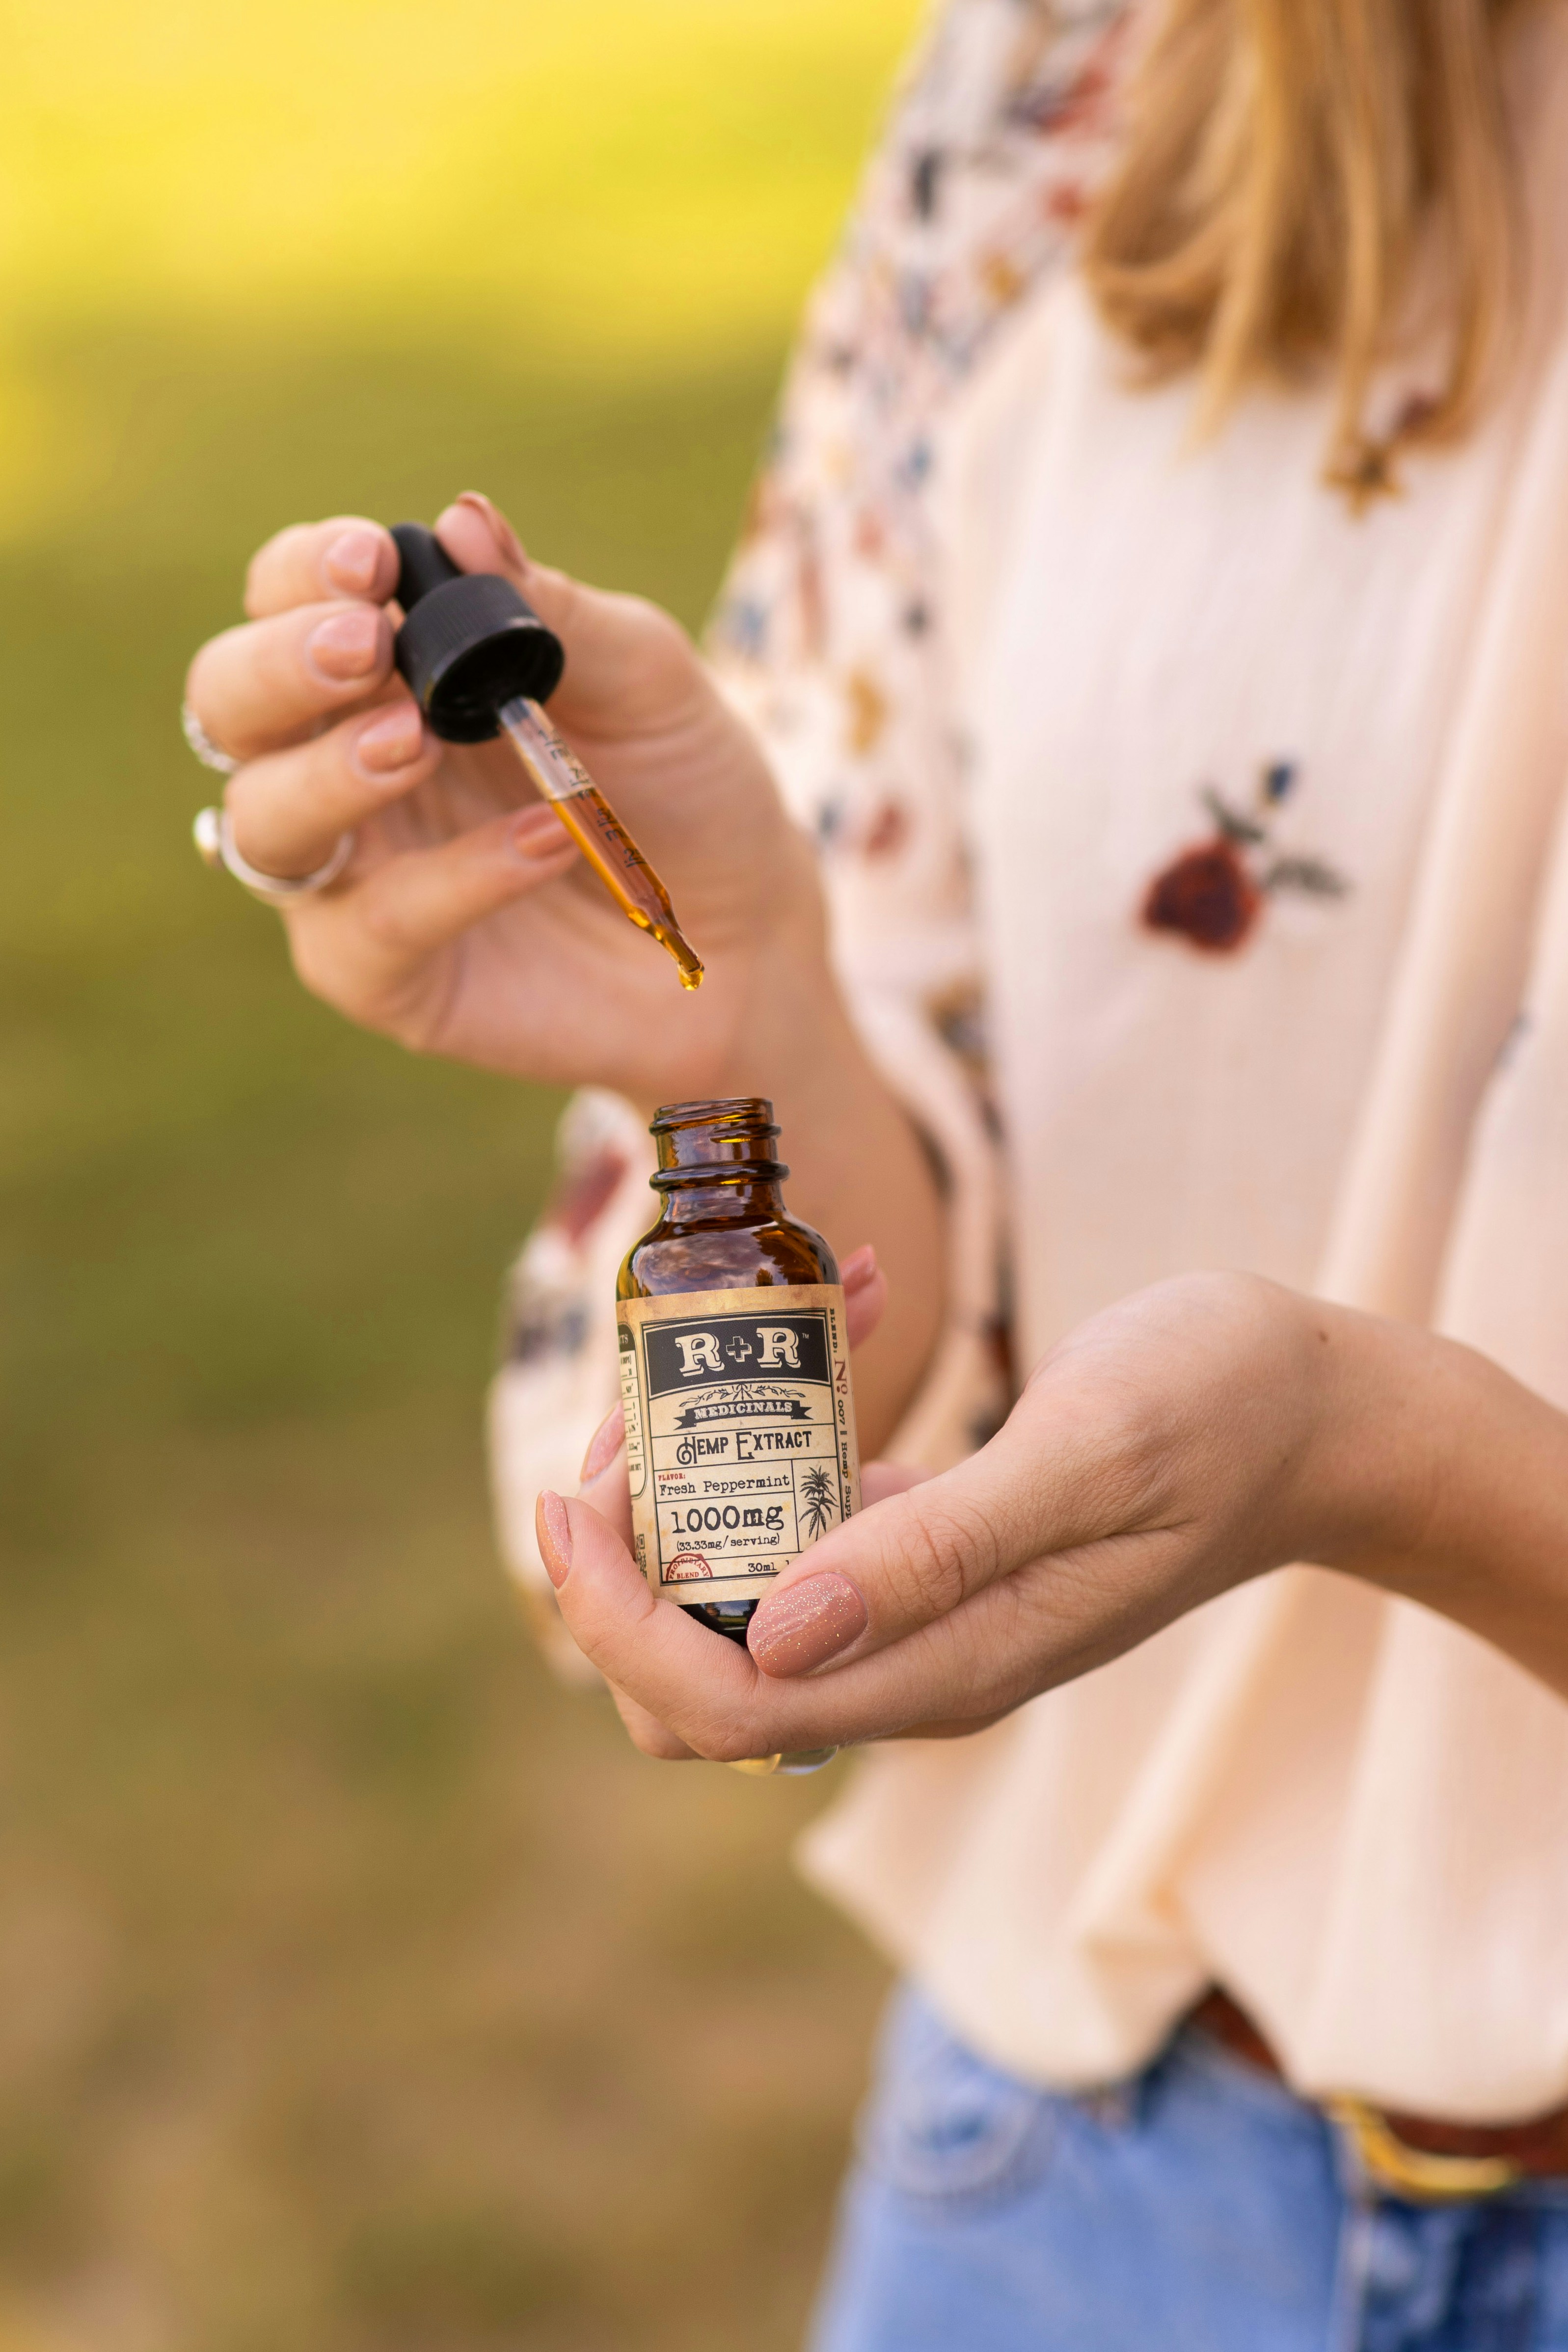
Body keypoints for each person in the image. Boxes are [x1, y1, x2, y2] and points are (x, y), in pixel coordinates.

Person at [182, 0, 1568, 2340]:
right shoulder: (1074, 79)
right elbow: (917, 1229)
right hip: (1088, 2180)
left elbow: (1325, 1441)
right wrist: (768, 1021)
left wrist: (1379, 1461)